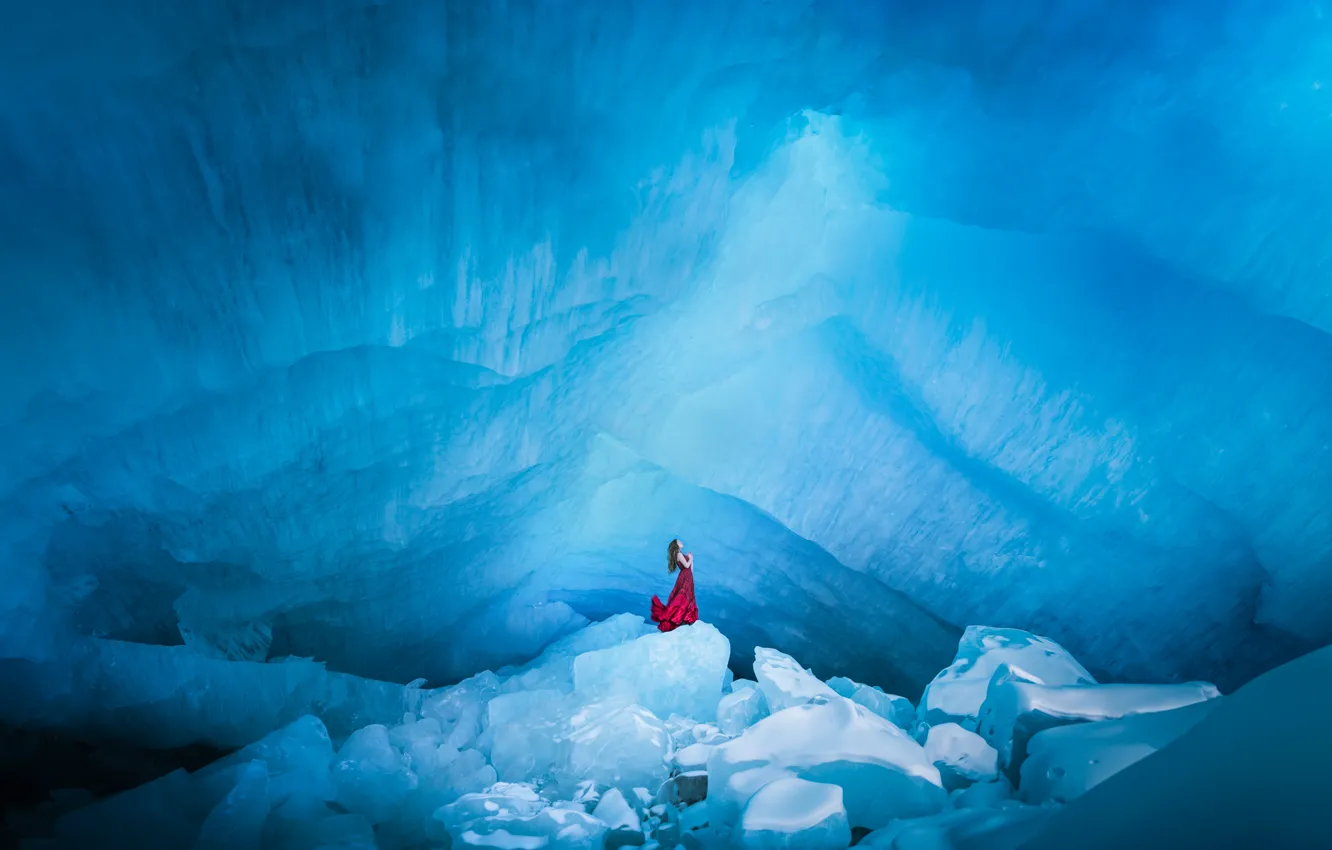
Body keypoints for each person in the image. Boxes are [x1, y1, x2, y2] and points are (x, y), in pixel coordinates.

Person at [650, 538, 699, 632]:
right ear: (675, 544)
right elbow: (686, 566)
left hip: (688, 577)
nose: (681, 542)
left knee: (687, 597)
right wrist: (690, 559)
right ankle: (679, 618)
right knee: (683, 597)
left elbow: (690, 569)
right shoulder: (678, 554)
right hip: (685, 577)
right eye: (679, 541)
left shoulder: (679, 554)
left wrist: (691, 560)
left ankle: (684, 617)